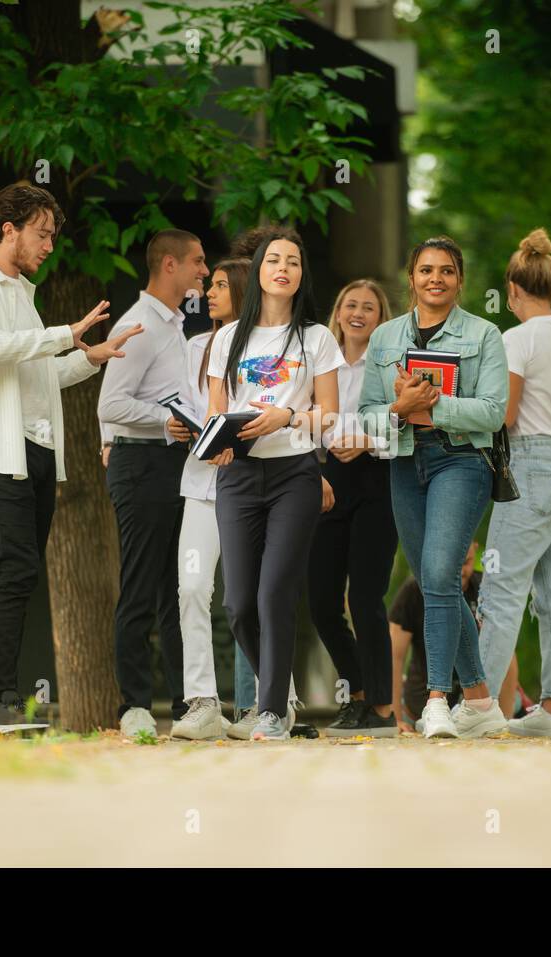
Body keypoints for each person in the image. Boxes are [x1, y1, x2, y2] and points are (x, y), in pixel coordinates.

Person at [0, 182, 140, 736]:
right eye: (42, 234)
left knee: (19, 573)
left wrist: (87, 357)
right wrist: (63, 334)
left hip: (35, 450)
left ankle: (1, 703)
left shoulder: (22, 293)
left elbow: (35, 372)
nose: (50, 246)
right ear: (10, 229)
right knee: (13, 566)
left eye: (53, 236)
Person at [358, 236, 510, 739]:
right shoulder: (384, 339)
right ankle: (481, 700)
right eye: (426, 270)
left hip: (462, 460)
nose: (435, 279)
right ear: (412, 278)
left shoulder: (485, 334)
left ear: (459, 280)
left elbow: (492, 412)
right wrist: (399, 411)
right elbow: (365, 416)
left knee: (443, 570)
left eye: (446, 271)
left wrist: (432, 407)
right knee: (433, 583)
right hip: (404, 461)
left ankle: (438, 700)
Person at [207, 228, 343, 741]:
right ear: (259, 271)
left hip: (295, 475)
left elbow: (328, 418)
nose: (283, 268)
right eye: (274, 260)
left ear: (301, 275)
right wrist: (215, 441)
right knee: (238, 603)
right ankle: (276, 690)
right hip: (238, 476)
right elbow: (215, 412)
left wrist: (287, 416)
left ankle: (268, 711)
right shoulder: (226, 339)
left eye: (294, 261)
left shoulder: (317, 339)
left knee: (274, 593)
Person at [98, 230, 210, 737]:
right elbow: (111, 405)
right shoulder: (140, 324)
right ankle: (134, 708)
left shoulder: (173, 326)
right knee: (143, 586)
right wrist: (165, 422)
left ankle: (187, 705)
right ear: (170, 265)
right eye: (198, 263)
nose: (204, 273)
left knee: (175, 588)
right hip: (142, 465)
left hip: (171, 465)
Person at [476, 229, 551, 738]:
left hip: (529, 466)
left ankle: (477, 707)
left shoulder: (514, 339)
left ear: (513, 291)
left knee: (500, 591)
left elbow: (506, 412)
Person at [164, 256, 259, 740]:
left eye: (220, 285)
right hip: (201, 486)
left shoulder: (268, 345)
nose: (209, 293)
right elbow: (178, 407)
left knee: (253, 597)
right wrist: (176, 426)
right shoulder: (195, 345)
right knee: (193, 588)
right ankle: (202, 703)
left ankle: (270, 703)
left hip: (256, 487)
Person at [309, 280, 401, 737]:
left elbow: (409, 426)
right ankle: (358, 694)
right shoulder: (316, 361)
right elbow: (300, 420)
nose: (358, 312)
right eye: (351, 304)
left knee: (365, 597)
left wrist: (368, 440)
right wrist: (315, 473)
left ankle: (382, 710)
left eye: (369, 307)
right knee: (321, 600)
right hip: (325, 480)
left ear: (381, 319)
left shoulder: (389, 365)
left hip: (377, 479)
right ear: (338, 312)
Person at [389, 541, 479, 732]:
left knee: (514, 701)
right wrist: (395, 718)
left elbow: (502, 651)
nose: (460, 571)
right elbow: (394, 656)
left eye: (466, 563)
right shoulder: (412, 592)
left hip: (473, 705)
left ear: (475, 549)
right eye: (453, 564)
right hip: (417, 708)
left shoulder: (482, 588)